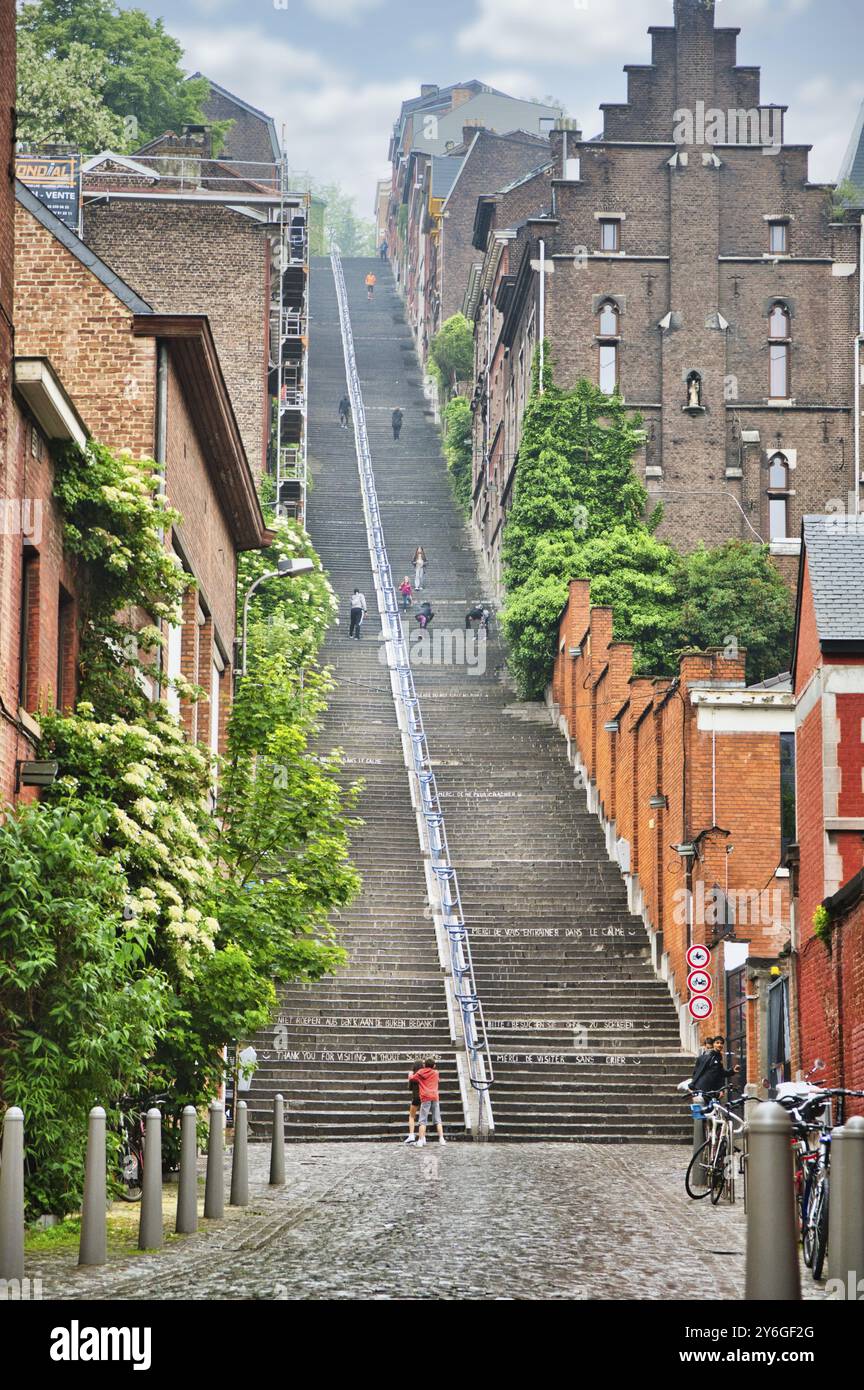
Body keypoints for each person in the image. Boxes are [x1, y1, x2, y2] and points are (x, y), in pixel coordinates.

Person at [690, 1035, 739, 1099]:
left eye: (721, 1043)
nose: (719, 1045)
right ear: (713, 1044)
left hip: (712, 1091)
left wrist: (732, 1071)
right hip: (703, 1090)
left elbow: (720, 1073)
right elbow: (698, 1071)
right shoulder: (708, 1057)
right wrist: (692, 1085)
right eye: (717, 1043)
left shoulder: (718, 1057)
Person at [410, 1058, 445, 1147]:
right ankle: (442, 1139)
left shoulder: (421, 1072)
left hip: (425, 1097)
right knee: (438, 1119)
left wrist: (410, 1074)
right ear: (434, 1066)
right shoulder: (436, 1073)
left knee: (422, 1120)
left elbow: (412, 1078)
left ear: (425, 1065)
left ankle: (421, 1141)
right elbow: (438, 1081)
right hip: (435, 1096)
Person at [403, 1060, 423, 1144]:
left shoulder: (413, 1075)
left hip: (415, 1098)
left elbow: (410, 1088)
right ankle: (423, 1137)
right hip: (424, 1098)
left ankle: (411, 1135)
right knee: (423, 1119)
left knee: (411, 1116)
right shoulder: (424, 1075)